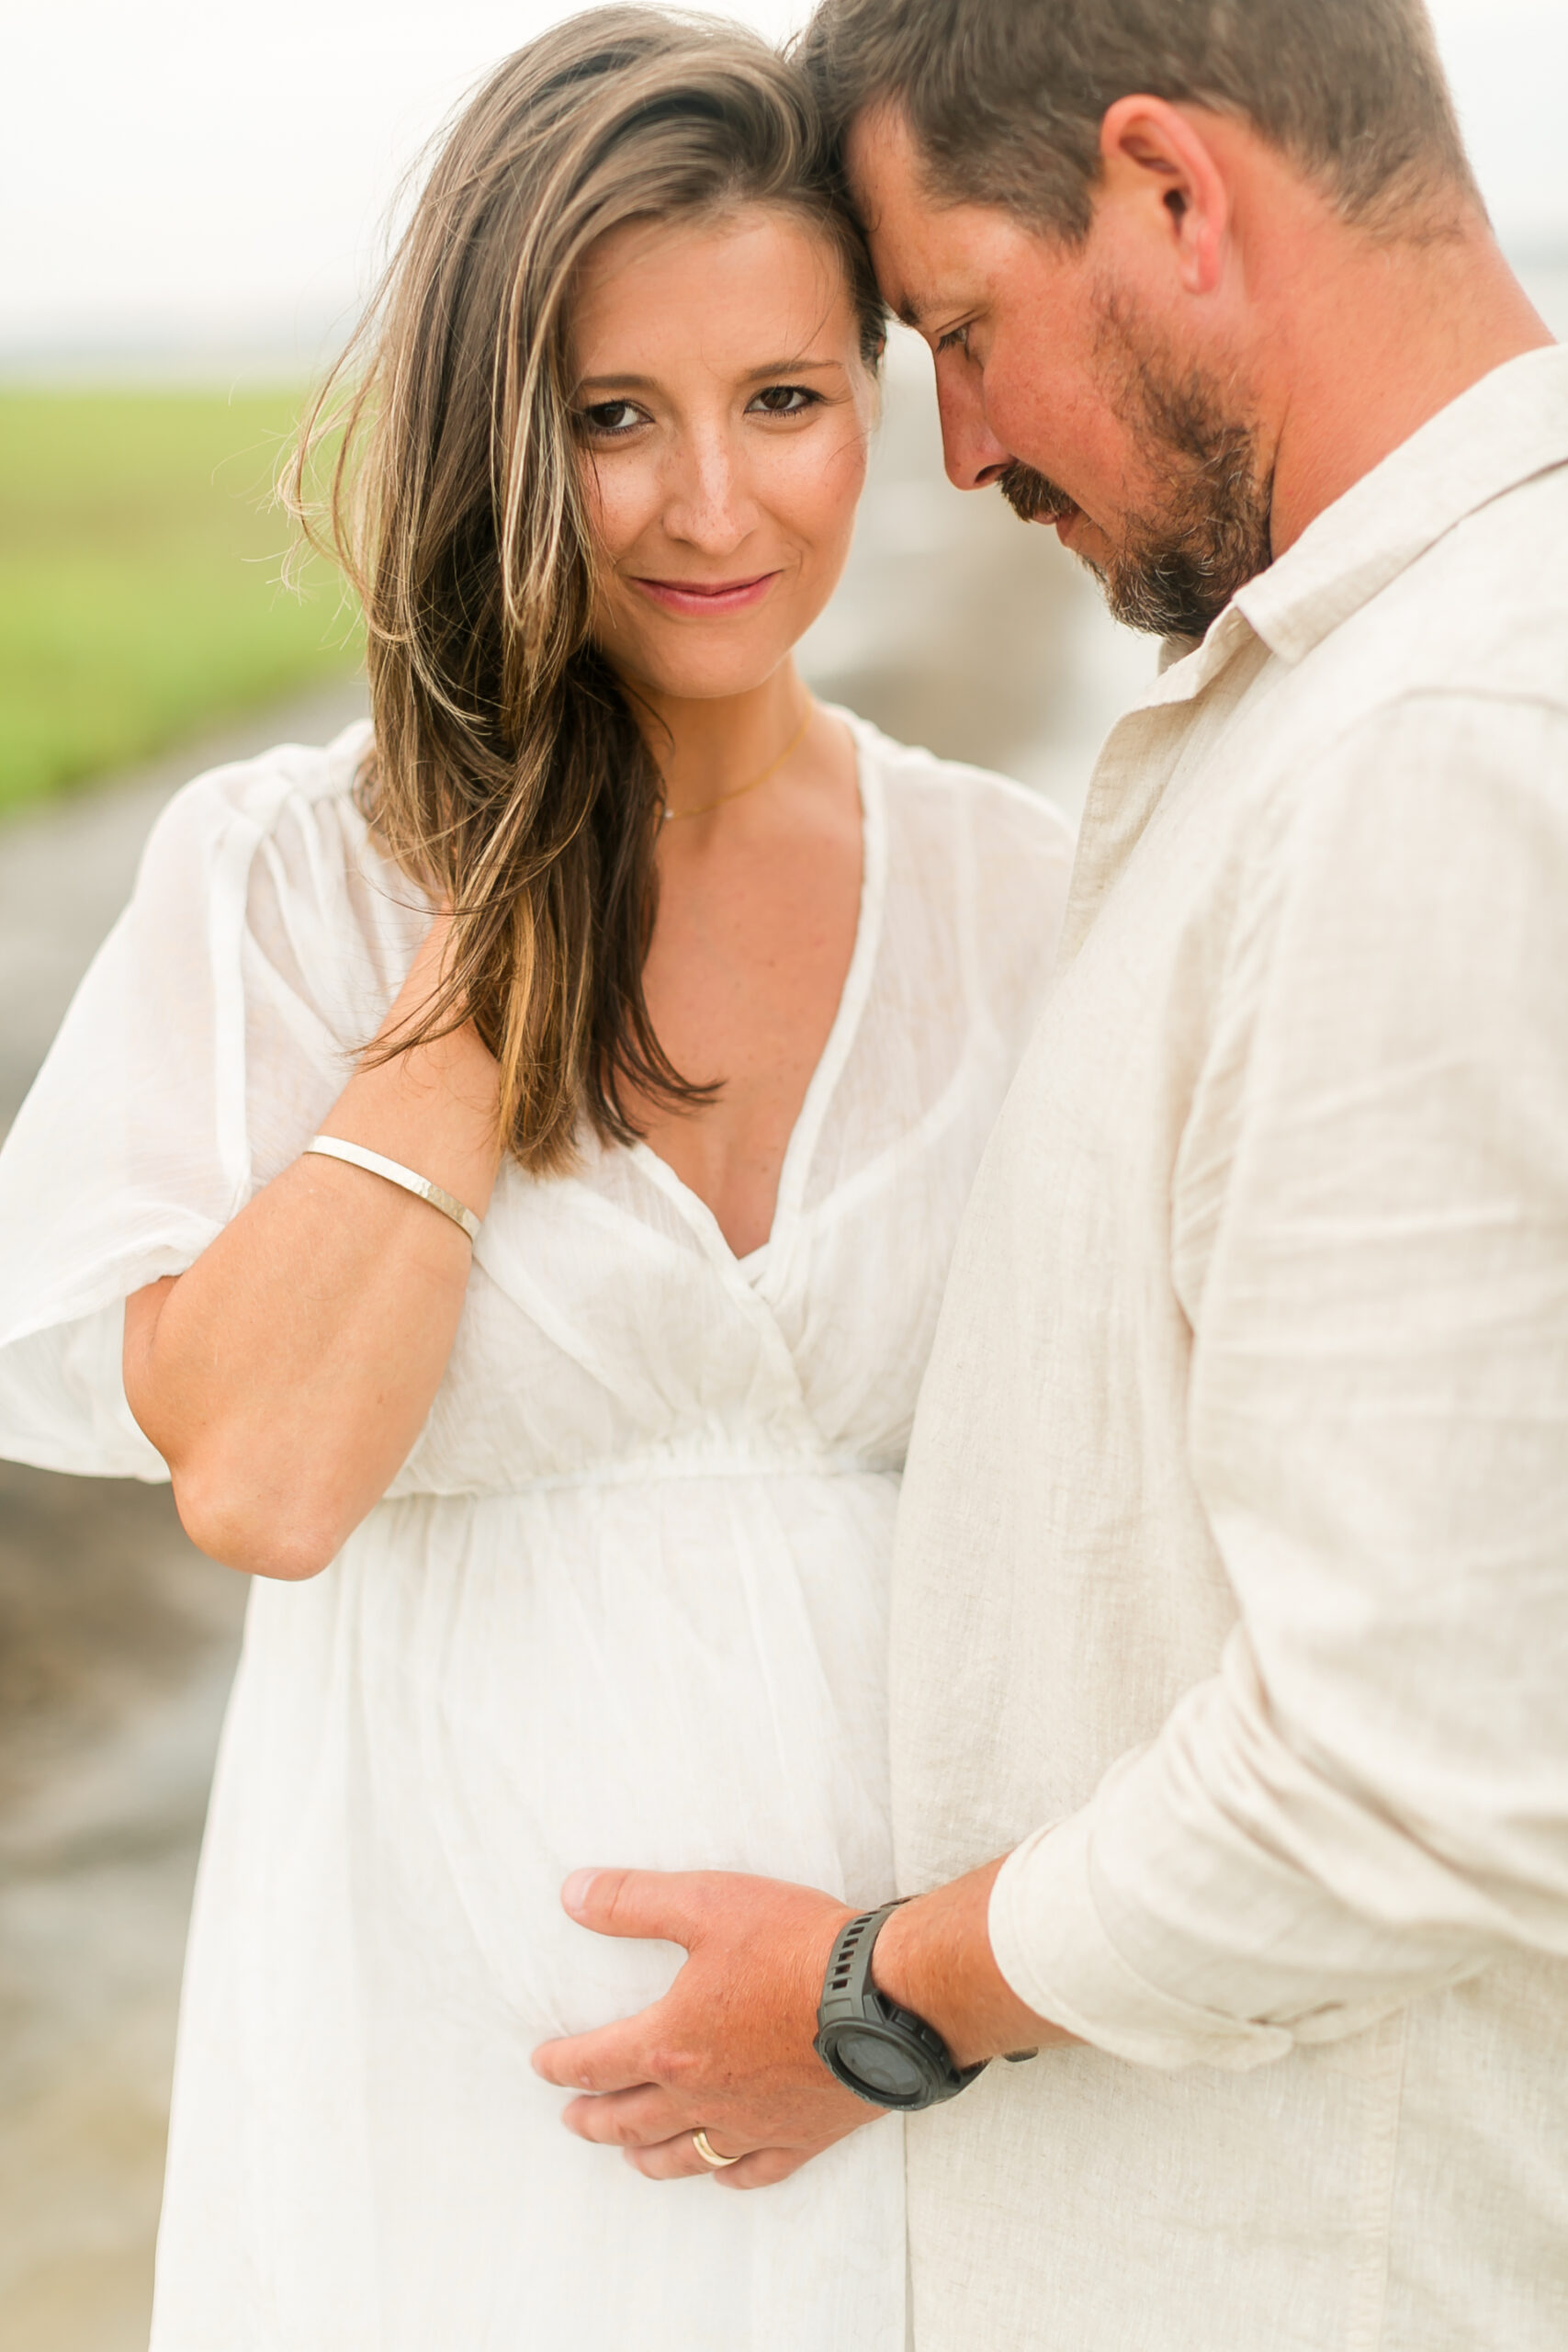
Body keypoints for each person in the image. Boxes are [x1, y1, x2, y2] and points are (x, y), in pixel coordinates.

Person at [0, 13, 1074, 2347]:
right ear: (499, 433)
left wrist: (909, 2010)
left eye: (781, 399)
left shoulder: (1023, 898)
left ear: (869, 401)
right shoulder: (290, 882)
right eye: (614, 416)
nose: (713, 504)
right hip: (444, 2124)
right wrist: (508, 877)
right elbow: (270, 1475)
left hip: (906, 2087)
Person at [531, 3, 1568, 2346]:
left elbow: (1419, 1764)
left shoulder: (1438, 747)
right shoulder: (1369, 689)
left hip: (1329, 2268)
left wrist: (868, 1998)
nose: (964, 446)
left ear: (1172, 192)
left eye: (965, 331)